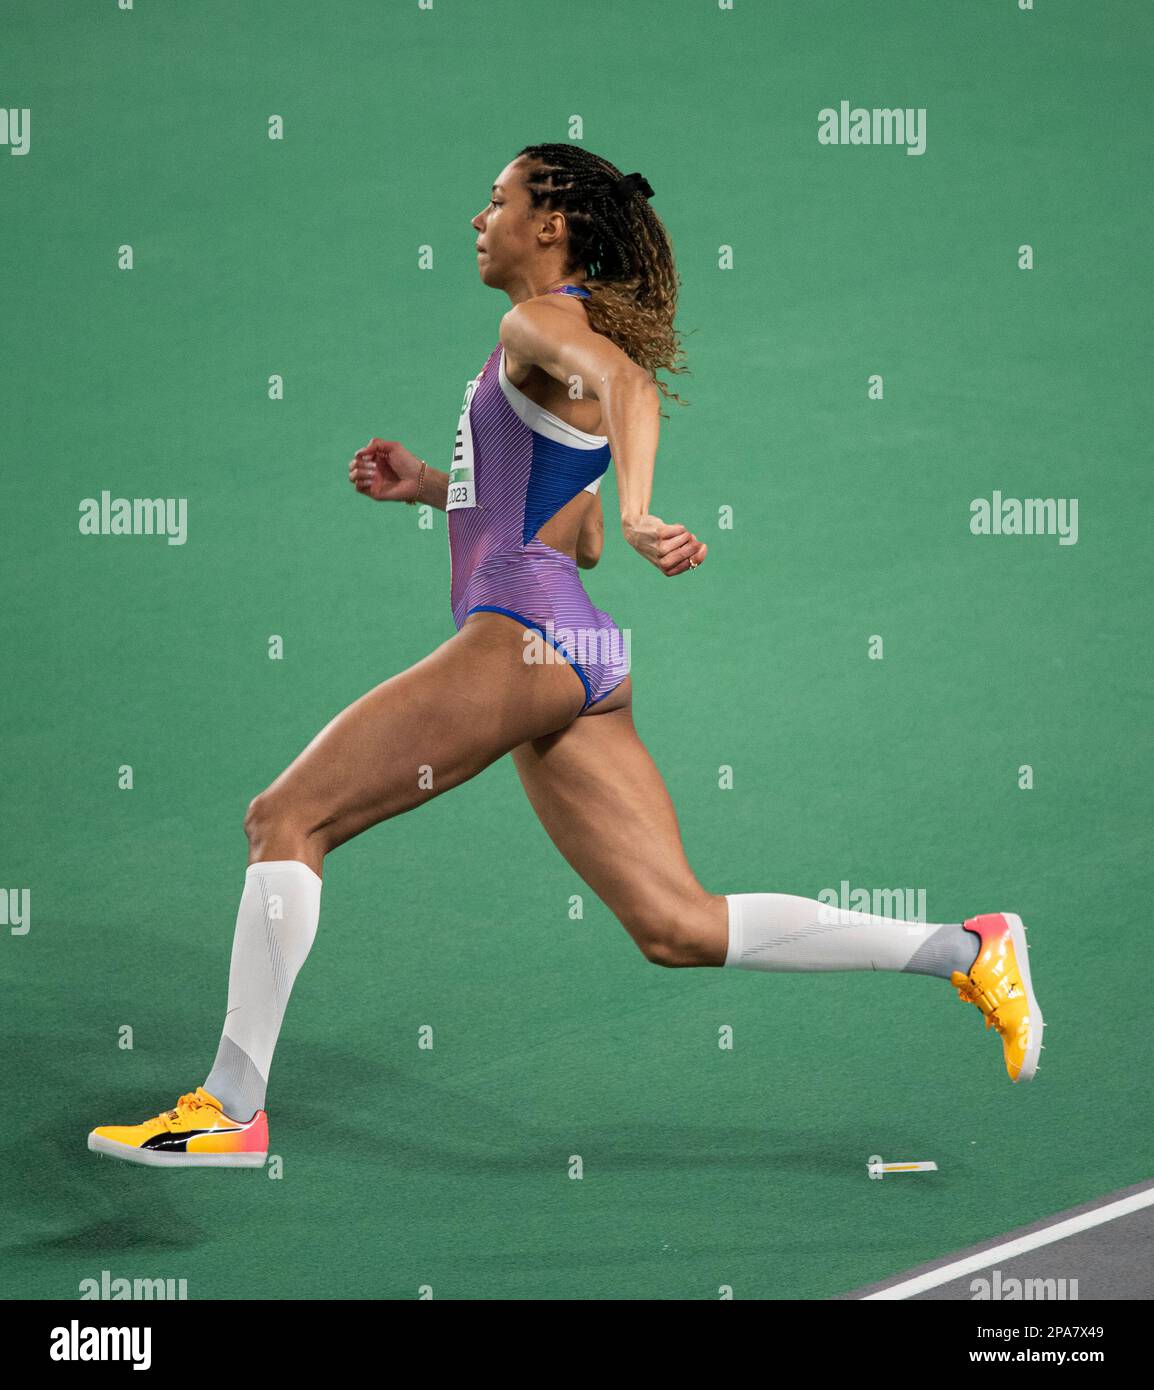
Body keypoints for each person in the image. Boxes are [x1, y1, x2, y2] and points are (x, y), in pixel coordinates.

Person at [87, 144, 1043, 1167]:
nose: (477, 217)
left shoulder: (538, 323)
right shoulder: (561, 329)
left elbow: (627, 398)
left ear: (548, 223)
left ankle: (230, 1106)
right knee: (674, 923)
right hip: (577, 647)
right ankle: (966, 948)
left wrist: (638, 511)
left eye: (495, 200)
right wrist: (429, 487)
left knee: (285, 816)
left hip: (522, 634)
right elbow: (567, 531)